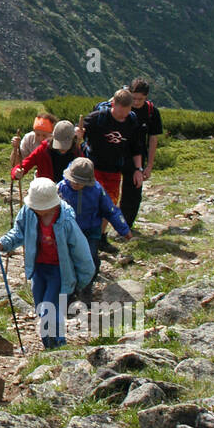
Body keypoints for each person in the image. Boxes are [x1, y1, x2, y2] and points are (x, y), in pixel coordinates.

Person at [0, 177, 95, 349]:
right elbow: (18, 232)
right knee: (41, 306)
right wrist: (3, 244)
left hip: (59, 271)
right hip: (38, 267)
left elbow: (82, 253)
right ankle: (52, 343)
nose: (37, 210)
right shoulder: (28, 212)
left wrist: (79, 284)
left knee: (49, 309)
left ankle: (56, 345)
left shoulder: (66, 220)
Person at [58, 156, 132, 300]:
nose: (75, 184)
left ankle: (86, 288)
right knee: (68, 260)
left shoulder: (97, 190)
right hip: (69, 231)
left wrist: (124, 229)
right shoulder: (61, 188)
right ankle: (70, 290)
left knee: (90, 258)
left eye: (80, 182)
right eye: (73, 180)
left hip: (91, 230)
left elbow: (111, 210)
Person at [81, 89, 144, 255]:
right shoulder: (98, 118)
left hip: (115, 169)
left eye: (127, 112)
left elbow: (136, 147)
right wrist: (77, 134)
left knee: (110, 204)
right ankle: (88, 237)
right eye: (120, 112)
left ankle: (100, 237)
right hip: (94, 168)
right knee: (93, 203)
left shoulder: (131, 121)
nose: (123, 116)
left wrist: (138, 169)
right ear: (113, 104)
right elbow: (79, 132)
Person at [122, 78, 163, 227]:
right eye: (134, 98)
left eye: (141, 99)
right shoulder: (121, 106)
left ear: (146, 97)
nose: (137, 102)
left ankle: (126, 225)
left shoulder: (152, 112)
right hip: (117, 152)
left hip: (138, 155)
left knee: (133, 191)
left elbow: (153, 139)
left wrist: (149, 165)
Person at [11, 119, 83, 182]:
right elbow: (25, 164)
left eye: (65, 145)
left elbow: (86, 174)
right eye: (59, 144)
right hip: (46, 189)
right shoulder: (43, 149)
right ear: (53, 137)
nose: (62, 149)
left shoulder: (77, 152)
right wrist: (17, 173)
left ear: (73, 140)